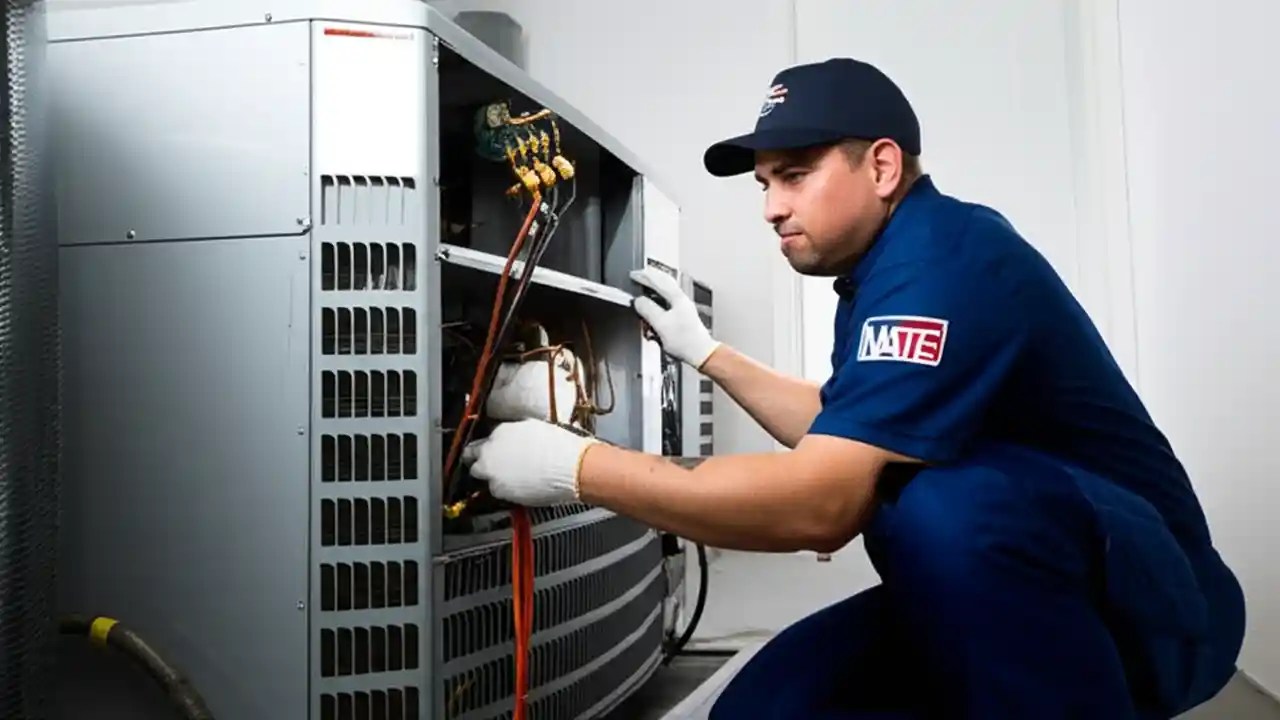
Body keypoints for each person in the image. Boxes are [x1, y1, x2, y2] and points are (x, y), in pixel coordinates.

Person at [461, 57, 1246, 719]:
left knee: (939, 506)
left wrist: (575, 467)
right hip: (1013, 585)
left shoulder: (943, 262)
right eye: (764, 183)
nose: (771, 208)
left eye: (795, 176)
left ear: (882, 167)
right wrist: (708, 354)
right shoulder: (884, 267)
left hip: (1151, 606)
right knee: (765, 706)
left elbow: (822, 502)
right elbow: (847, 426)